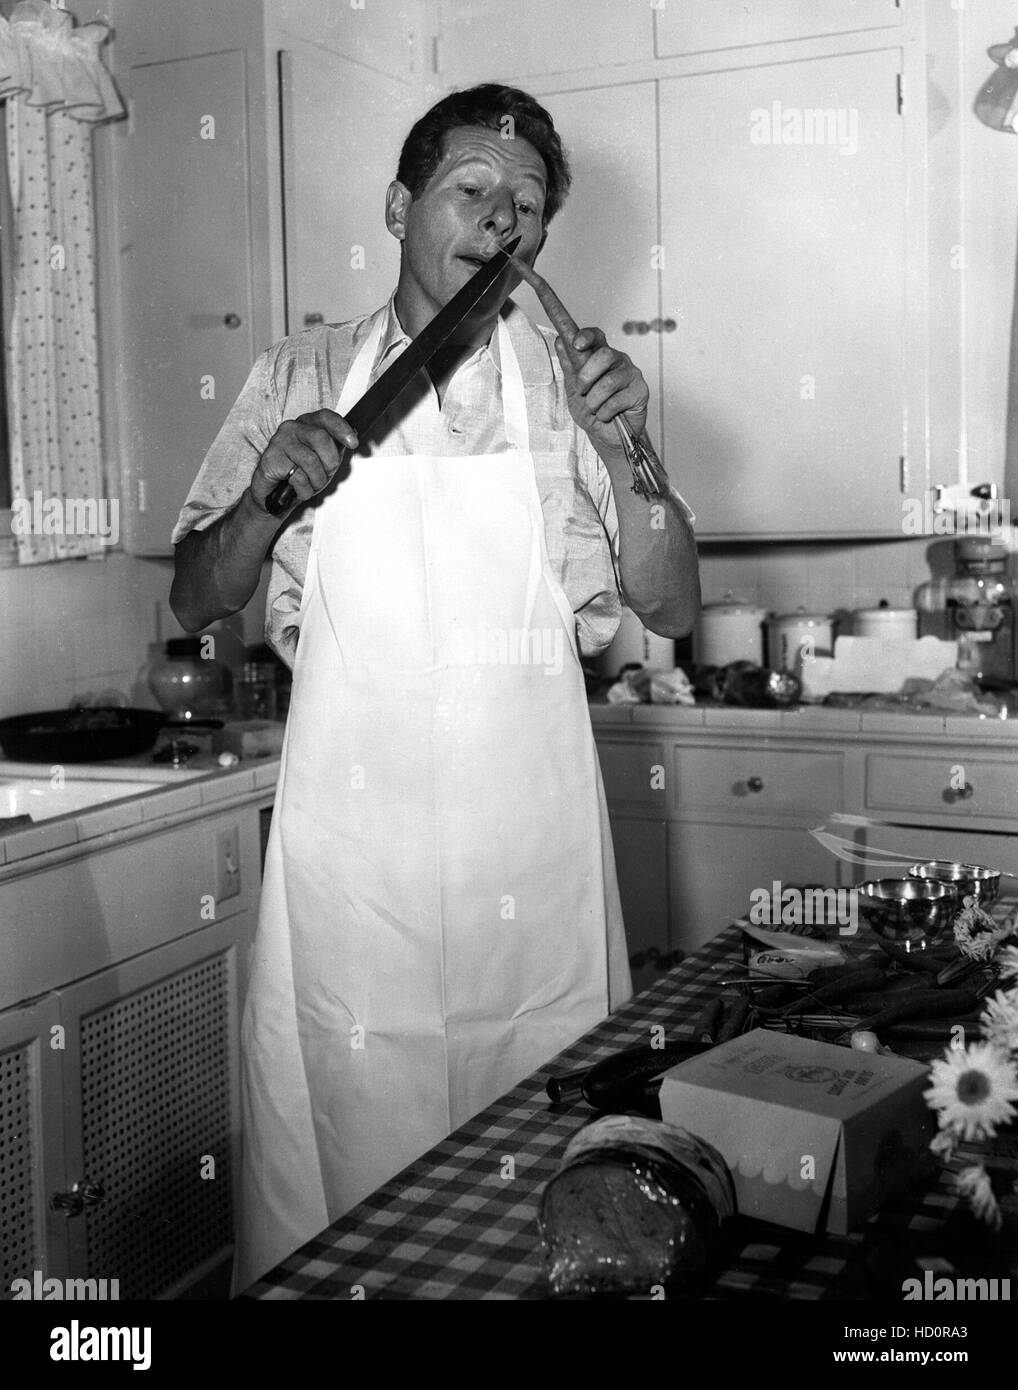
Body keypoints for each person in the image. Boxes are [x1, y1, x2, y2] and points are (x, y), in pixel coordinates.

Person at [170, 83, 700, 1291]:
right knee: (350, 1177)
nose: (500, 223)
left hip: (534, 868)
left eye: (526, 207)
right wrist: (264, 495)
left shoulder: (569, 387)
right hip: (358, 875)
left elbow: (670, 605)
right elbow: (194, 600)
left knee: (541, 1198)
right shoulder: (296, 372)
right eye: (471, 192)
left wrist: (630, 455)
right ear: (400, 205)